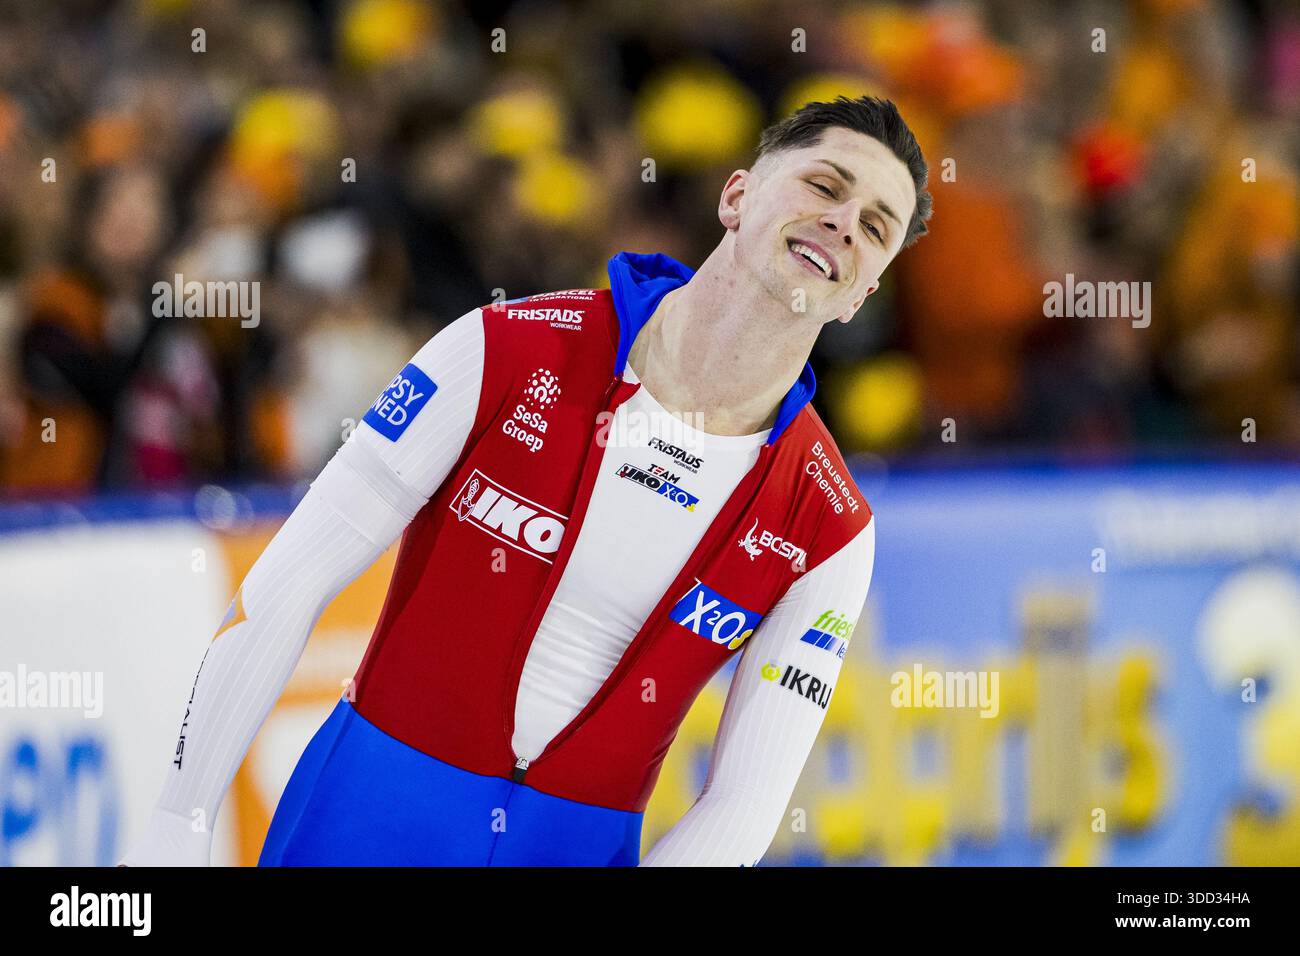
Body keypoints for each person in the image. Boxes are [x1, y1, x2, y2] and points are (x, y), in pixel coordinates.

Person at [121, 95, 932, 867]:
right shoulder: (502, 350)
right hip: (367, 814)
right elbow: (291, 581)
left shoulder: (828, 527)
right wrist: (178, 819)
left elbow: (743, 809)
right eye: (824, 186)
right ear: (736, 196)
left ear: (865, 292)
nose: (841, 223)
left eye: (875, 228)